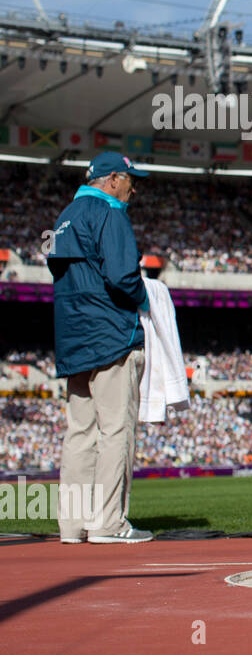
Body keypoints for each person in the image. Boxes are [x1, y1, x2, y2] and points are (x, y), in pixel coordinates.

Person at [47, 152, 154, 543]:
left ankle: (73, 526)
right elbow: (123, 275)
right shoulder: (110, 212)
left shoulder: (65, 216)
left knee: (79, 433)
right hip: (111, 336)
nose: (133, 187)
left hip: (74, 339)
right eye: (129, 179)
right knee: (115, 431)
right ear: (111, 180)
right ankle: (109, 523)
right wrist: (147, 297)